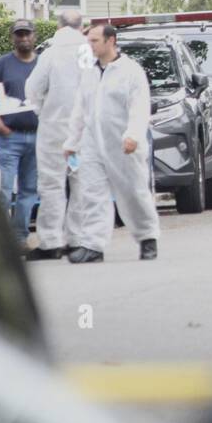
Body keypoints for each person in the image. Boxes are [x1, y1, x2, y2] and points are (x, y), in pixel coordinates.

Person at [63, 23, 158, 263]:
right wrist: (72, 142)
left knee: (134, 192)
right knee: (92, 193)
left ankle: (147, 238)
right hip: (93, 143)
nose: (90, 45)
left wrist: (133, 135)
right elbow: (80, 109)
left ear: (111, 41)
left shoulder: (130, 71)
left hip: (124, 144)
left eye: (95, 40)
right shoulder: (89, 72)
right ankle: (93, 245)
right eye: (89, 41)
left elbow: (139, 106)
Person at [23, 9, 88, 260]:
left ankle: (51, 241)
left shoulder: (50, 54)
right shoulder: (87, 52)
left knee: (52, 184)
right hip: (83, 130)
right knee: (80, 183)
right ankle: (77, 238)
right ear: (81, 27)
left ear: (59, 26)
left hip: (54, 129)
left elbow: (33, 88)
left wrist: (42, 110)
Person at [0, 19, 40, 248]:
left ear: (34, 36)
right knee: (4, 189)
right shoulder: (2, 64)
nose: (23, 38)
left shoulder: (42, 65)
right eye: (19, 34)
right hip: (9, 136)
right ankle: (1, 240)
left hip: (37, 136)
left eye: (27, 34)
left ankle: (20, 237)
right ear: (13, 38)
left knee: (29, 191)